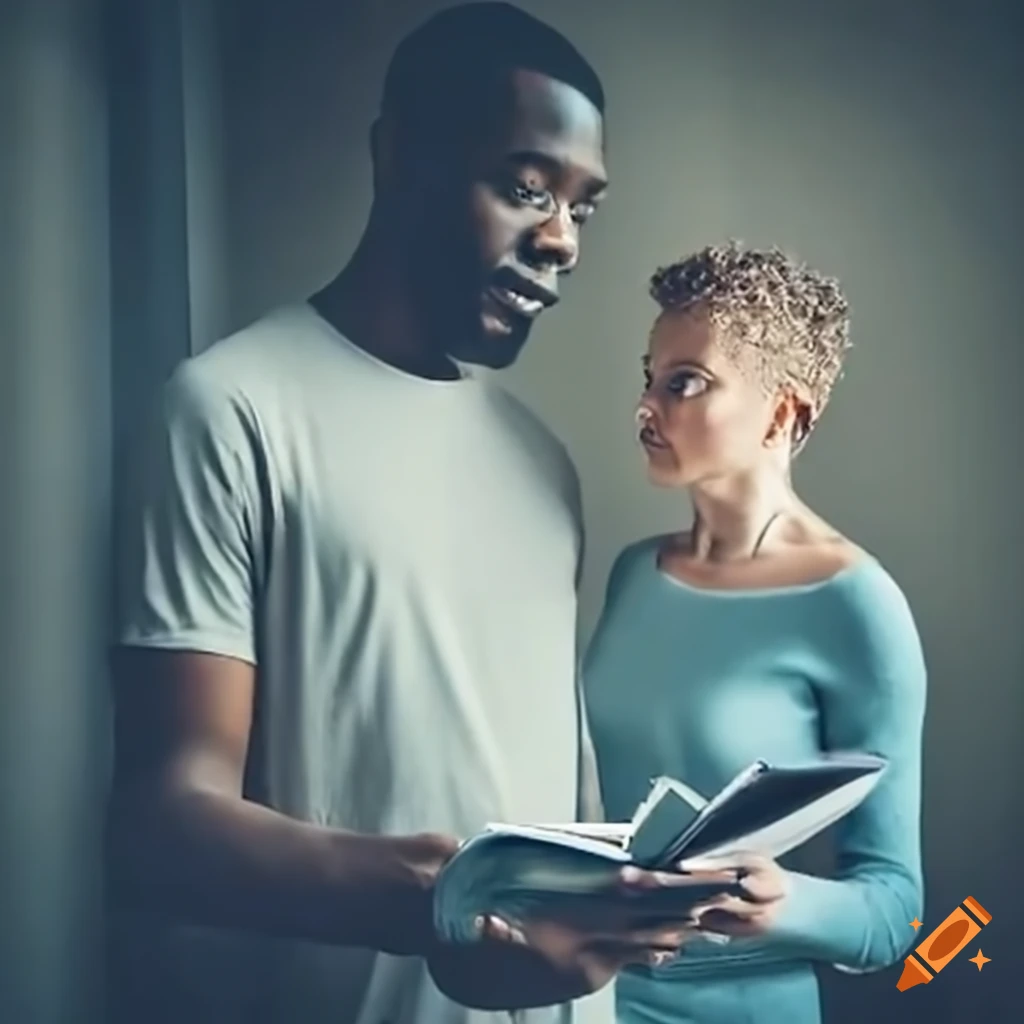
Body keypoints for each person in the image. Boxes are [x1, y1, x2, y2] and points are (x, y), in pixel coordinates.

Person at [106, 6, 712, 1024]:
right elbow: (165, 823)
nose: (561, 238)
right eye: (526, 186)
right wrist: (440, 897)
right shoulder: (231, 410)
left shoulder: (543, 466)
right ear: (400, 156)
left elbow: (559, 806)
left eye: (582, 206)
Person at [583, 242, 928, 1024]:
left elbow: (896, 912)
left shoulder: (859, 608)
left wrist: (781, 902)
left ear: (784, 412)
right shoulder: (632, 575)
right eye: (649, 379)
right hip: (587, 999)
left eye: (685, 383)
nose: (646, 407)